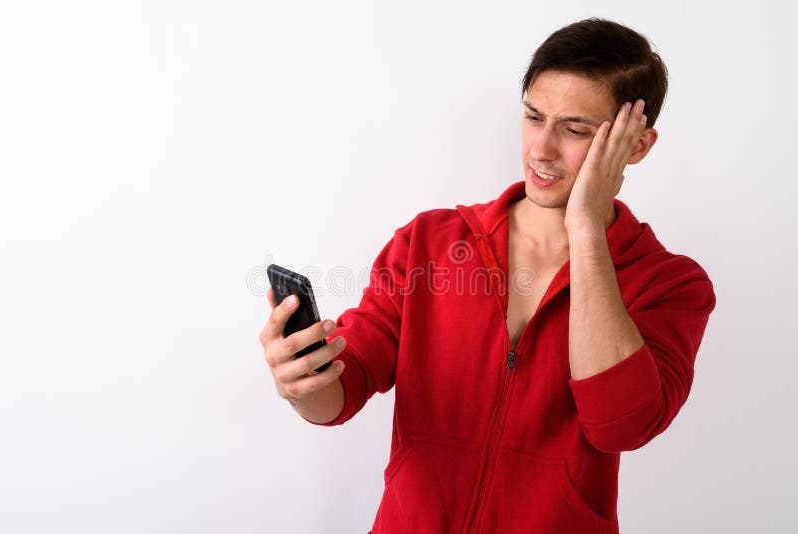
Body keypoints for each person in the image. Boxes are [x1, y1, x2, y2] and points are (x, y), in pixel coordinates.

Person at [260, 17, 716, 534]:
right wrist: (302, 383)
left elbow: (621, 425)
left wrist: (586, 227)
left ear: (635, 146)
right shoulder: (429, 243)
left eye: (574, 129)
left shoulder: (671, 284)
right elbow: (345, 387)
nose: (540, 150)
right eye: (533, 117)